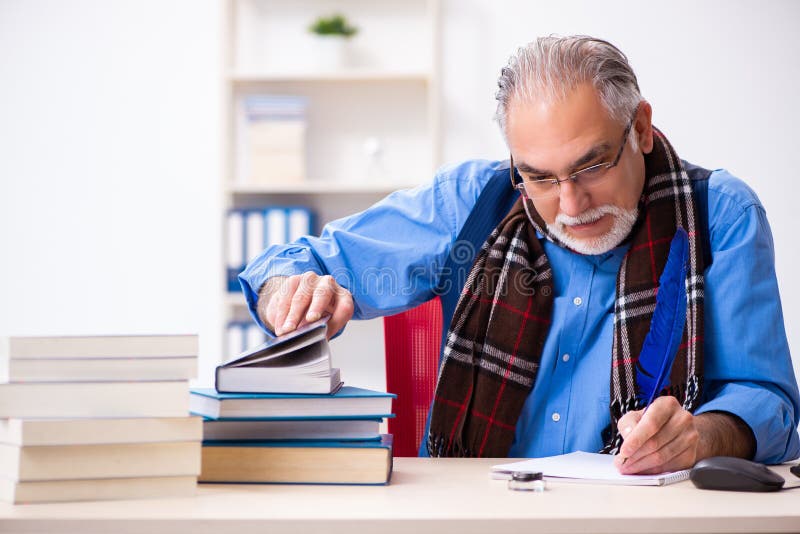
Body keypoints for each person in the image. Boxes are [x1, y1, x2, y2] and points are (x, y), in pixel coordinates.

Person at [239, 35, 800, 473]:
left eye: (591, 166)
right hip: (475, 514)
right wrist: (288, 291)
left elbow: (766, 399)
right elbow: (292, 263)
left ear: (642, 128)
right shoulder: (473, 201)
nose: (571, 204)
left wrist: (702, 437)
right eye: (540, 177)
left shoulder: (719, 214)